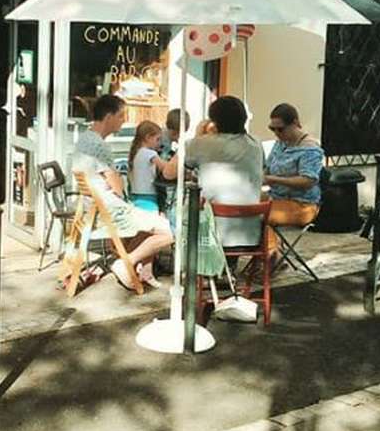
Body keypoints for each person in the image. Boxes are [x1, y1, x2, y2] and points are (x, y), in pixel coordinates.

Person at [74, 94, 173, 290]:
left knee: (148, 223)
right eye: (121, 116)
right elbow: (118, 188)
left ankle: (125, 263)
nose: (123, 120)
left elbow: (109, 180)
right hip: (109, 212)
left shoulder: (84, 139)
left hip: (92, 209)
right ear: (109, 116)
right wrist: (115, 183)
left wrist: (113, 182)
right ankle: (126, 262)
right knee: (169, 231)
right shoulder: (99, 146)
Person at [162, 96, 264, 248]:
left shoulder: (200, 144)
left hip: (209, 234)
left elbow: (168, 173)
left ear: (214, 121)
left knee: (184, 208)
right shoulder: (256, 143)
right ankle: (228, 265)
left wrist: (197, 136)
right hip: (249, 232)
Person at [264, 103, 324, 230]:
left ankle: (271, 247)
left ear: (295, 123)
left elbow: (308, 180)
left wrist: (274, 180)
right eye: (272, 129)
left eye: (280, 129)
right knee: (239, 204)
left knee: (254, 213)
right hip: (277, 198)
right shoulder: (280, 144)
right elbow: (267, 168)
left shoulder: (310, 149)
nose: (276, 133)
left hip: (302, 205)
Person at [127, 120, 170, 213]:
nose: (159, 143)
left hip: (134, 195)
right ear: (148, 138)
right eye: (157, 139)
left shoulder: (136, 153)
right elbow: (165, 167)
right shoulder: (150, 153)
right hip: (148, 196)